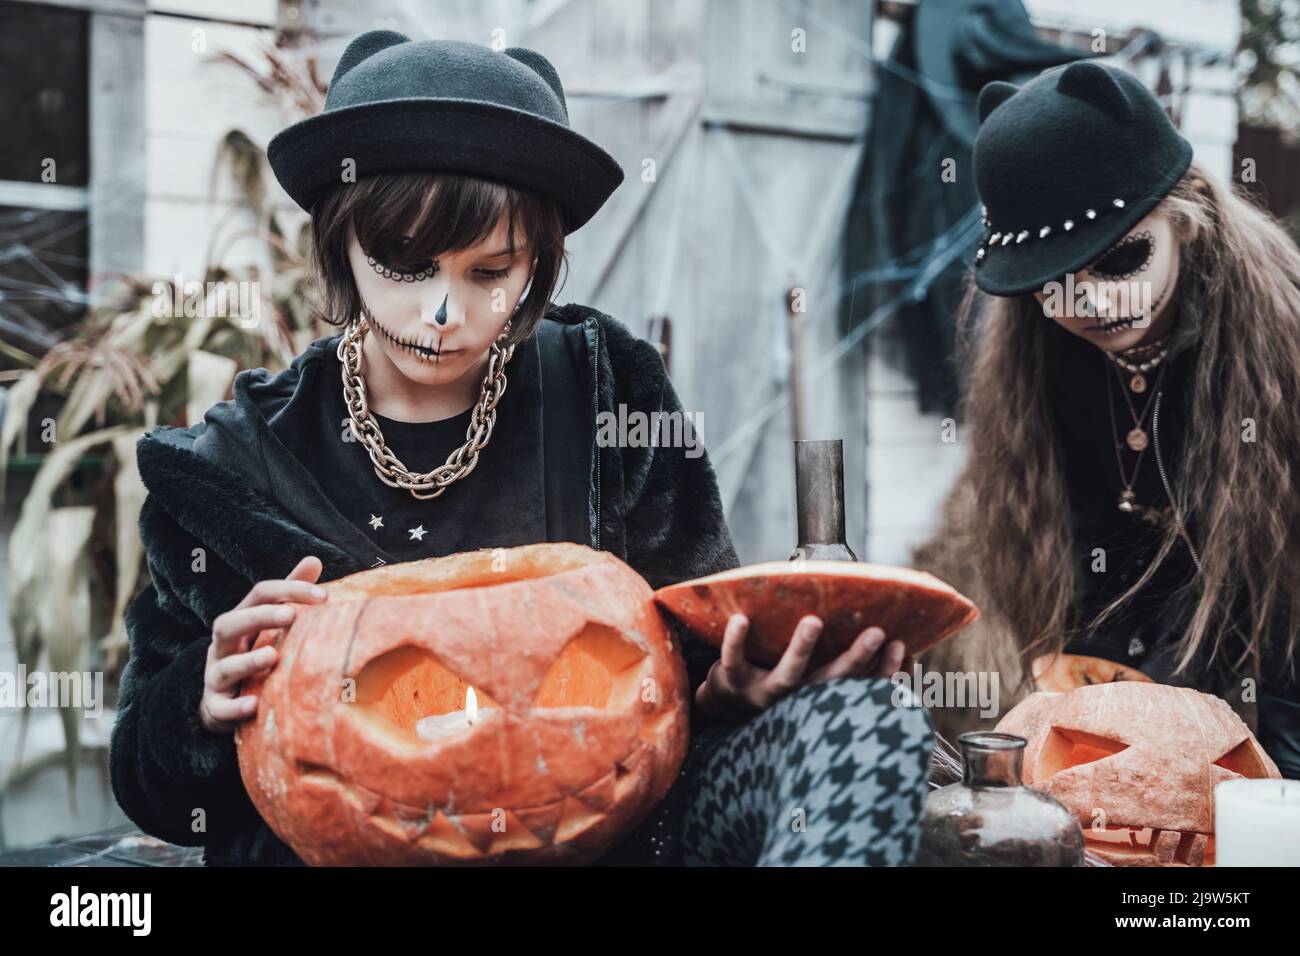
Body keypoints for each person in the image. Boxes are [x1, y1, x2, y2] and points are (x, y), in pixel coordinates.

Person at [109, 31, 934, 866]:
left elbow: (678, 655)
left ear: (536, 261)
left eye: (489, 271)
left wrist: (727, 690)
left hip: (607, 833)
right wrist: (201, 704)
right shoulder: (231, 468)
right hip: (356, 847)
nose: (443, 312)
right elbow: (153, 789)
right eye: (404, 262)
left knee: (868, 720)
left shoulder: (609, 385)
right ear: (341, 241)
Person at [950, 60, 1300, 777]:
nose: (1091, 306)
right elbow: (1078, 543)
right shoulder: (1038, 358)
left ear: (1188, 214)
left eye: (1120, 261)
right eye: (1050, 285)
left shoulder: (1281, 341)